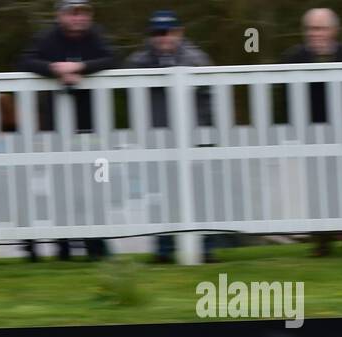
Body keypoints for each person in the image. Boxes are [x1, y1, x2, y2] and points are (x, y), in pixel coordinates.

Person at [20, 1, 117, 261]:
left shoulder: (96, 36)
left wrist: (79, 68)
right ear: (60, 15)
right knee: (62, 186)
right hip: (57, 128)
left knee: (96, 185)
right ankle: (64, 247)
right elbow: (26, 60)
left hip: (90, 127)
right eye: (72, 13)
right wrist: (55, 69)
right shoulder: (46, 38)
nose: (78, 18)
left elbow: (111, 59)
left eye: (83, 12)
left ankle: (96, 245)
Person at [124, 11, 217, 263]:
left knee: (201, 196)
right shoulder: (140, 61)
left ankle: (206, 250)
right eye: (157, 33)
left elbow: (210, 98)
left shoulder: (196, 59)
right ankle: (163, 250)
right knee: (160, 198)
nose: (162, 38)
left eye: (167, 32)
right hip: (158, 139)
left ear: (179, 32)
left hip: (195, 136)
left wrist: (206, 135)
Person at [283, 8, 342, 256]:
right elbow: (285, 100)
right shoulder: (292, 59)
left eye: (320, 28)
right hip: (311, 135)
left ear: (334, 30)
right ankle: (322, 241)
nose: (315, 34)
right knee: (316, 188)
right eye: (310, 29)